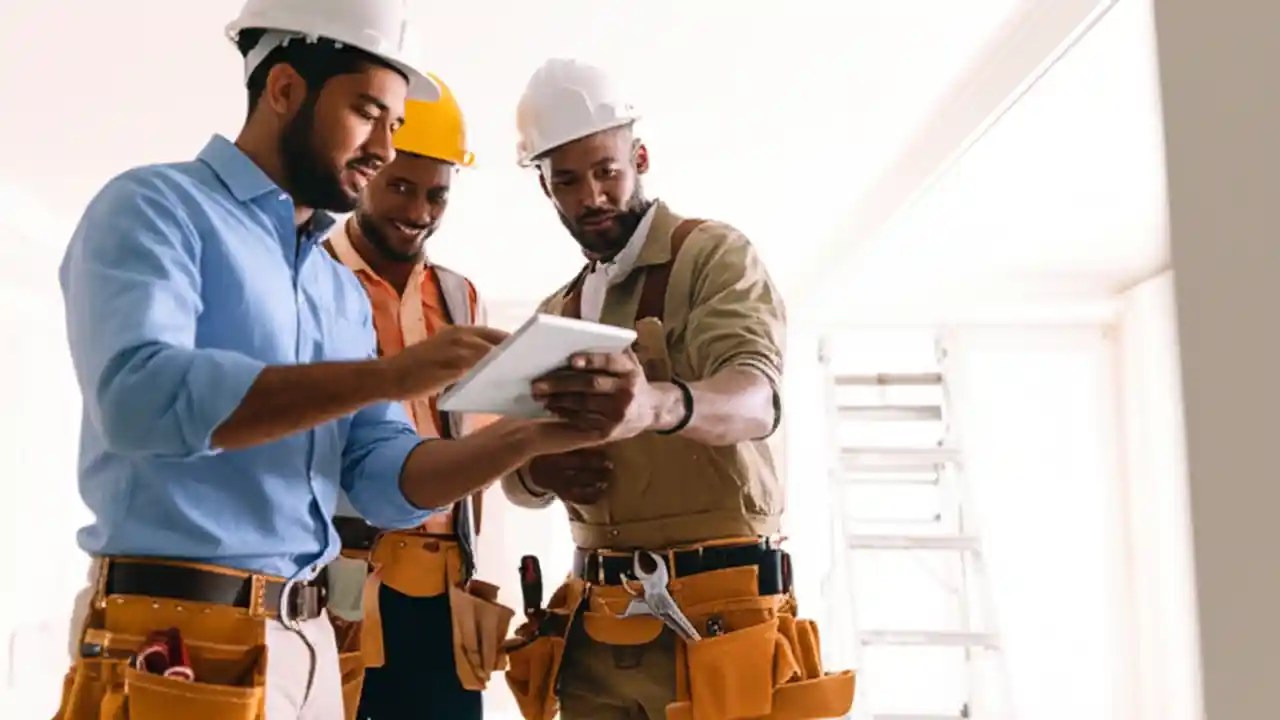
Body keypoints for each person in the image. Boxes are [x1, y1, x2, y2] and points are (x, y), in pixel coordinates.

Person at [51, 5, 607, 718]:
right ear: (284, 88)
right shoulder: (155, 209)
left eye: (395, 125)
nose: (384, 147)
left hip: (311, 646)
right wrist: (392, 376)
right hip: (180, 636)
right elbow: (141, 397)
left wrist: (531, 434)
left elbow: (378, 474)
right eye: (368, 113)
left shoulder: (333, 290)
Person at [498, 58, 857, 720]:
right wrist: (540, 470)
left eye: (606, 171)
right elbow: (512, 479)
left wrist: (657, 405)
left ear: (639, 157)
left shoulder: (712, 256)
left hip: (718, 622)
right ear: (546, 190)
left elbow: (757, 399)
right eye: (567, 181)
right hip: (595, 631)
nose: (591, 196)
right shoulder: (558, 310)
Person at [323, 76, 500, 720]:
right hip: (344, 579)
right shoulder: (314, 278)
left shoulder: (460, 297)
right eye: (401, 186)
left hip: (446, 584)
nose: (420, 210)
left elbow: (473, 444)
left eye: (437, 195)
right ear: (365, 171)